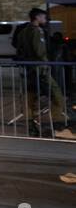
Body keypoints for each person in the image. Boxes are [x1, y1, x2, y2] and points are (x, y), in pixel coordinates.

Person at [16, 7, 75, 139]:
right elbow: (39, 51)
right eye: (43, 16)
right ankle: (58, 126)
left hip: (29, 68)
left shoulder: (23, 32)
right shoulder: (37, 31)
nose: (45, 19)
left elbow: (18, 48)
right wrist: (46, 63)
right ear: (37, 17)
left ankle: (32, 127)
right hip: (40, 69)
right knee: (57, 96)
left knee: (31, 98)